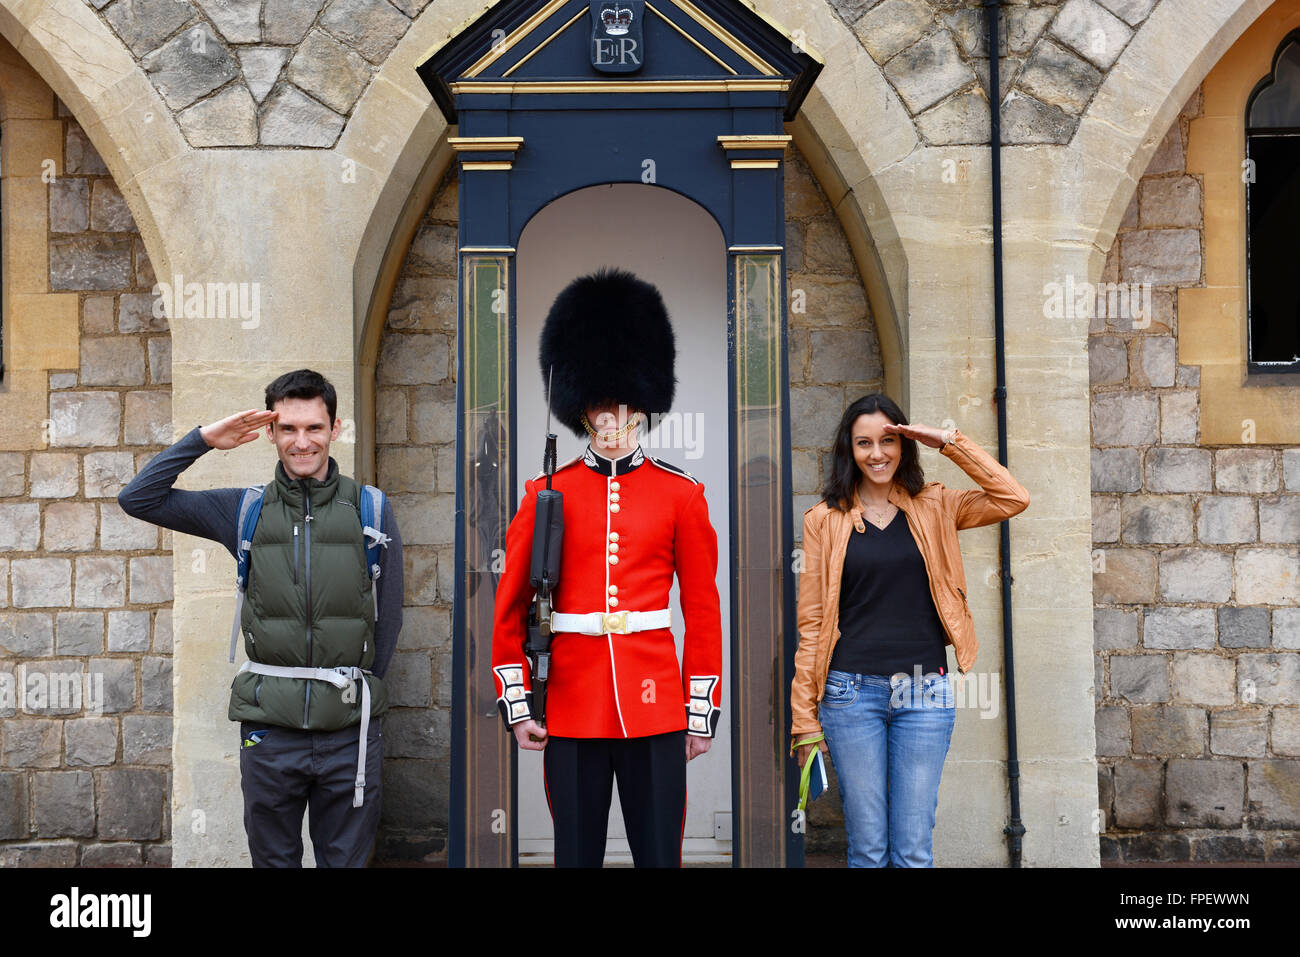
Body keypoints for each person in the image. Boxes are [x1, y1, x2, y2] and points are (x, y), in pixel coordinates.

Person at [118, 369, 403, 867]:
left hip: (349, 733)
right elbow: (139, 498)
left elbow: (390, 618)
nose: (302, 442)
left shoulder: (371, 508)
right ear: (270, 433)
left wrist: (358, 693)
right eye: (288, 429)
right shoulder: (244, 509)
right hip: (271, 732)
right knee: (274, 861)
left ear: (335, 429)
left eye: (314, 427)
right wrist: (203, 440)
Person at [491, 267, 723, 868]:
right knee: (575, 855)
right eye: (600, 404)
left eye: (625, 402)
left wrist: (698, 711)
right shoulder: (545, 492)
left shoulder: (682, 494)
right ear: (581, 409)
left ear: (644, 402)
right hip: (570, 702)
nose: (614, 417)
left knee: (657, 856)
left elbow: (701, 610)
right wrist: (520, 707)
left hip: (656, 705)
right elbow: (511, 607)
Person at [789, 393, 1029, 867]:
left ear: (904, 444)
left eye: (887, 440)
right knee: (868, 848)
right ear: (849, 450)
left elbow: (1012, 497)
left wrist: (948, 441)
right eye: (864, 443)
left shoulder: (937, 505)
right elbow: (813, 622)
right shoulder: (824, 520)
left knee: (914, 849)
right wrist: (804, 721)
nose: (876, 453)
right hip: (849, 693)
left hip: (925, 692)